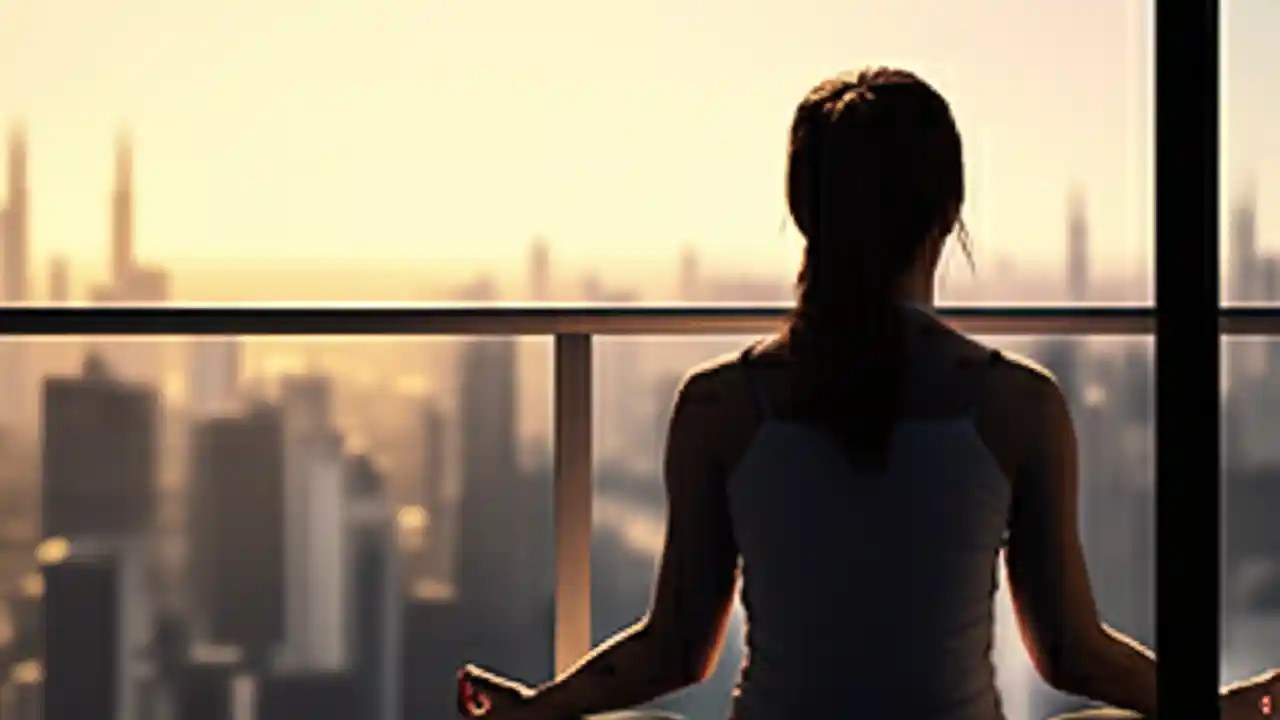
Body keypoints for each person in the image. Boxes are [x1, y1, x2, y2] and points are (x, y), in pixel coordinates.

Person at [457, 67, 1277, 719]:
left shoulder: (720, 406)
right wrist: (1214, 708)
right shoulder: (1019, 406)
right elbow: (1069, 652)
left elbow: (677, 649)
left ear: (802, 211)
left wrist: (541, 712)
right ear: (949, 213)